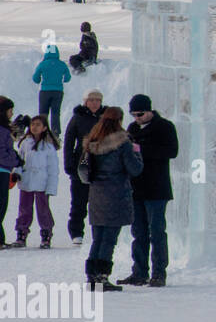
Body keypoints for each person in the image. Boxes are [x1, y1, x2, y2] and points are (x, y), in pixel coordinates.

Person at [82, 107, 143, 291]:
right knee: (109, 239)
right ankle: (101, 278)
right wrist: (137, 152)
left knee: (97, 238)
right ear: (119, 121)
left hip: (96, 194)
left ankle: (92, 278)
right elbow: (135, 169)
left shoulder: (92, 141)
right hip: (115, 194)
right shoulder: (122, 143)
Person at [122, 95, 179, 287]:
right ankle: (139, 272)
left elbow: (172, 151)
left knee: (157, 231)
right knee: (138, 232)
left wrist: (141, 149)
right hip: (136, 188)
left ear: (149, 111)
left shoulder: (165, 126)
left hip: (157, 188)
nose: (137, 118)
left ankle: (158, 273)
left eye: (140, 114)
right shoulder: (132, 129)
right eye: (133, 114)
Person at [62, 89, 103, 247]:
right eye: (91, 100)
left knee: (99, 202)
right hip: (81, 165)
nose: (94, 103)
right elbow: (69, 141)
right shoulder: (78, 117)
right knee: (79, 201)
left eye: (97, 100)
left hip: (100, 165)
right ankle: (76, 232)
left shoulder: (105, 118)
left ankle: (97, 232)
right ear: (85, 102)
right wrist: (69, 165)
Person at [13, 115, 59, 248]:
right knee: (24, 209)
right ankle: (21, 233)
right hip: (27, 181)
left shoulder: (49, 147)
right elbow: (19, 161)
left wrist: (51, 186)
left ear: (44, 128)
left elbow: (53, 169)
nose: (35, 127)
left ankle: (46, 234)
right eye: (33, 124)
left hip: (42, 183)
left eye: (38, 124)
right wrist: (17, 173)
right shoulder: (25, 143)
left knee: (43, 210)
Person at [31, 45, 72, 136]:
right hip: (58, 91)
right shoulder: (62, 64)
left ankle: (41, 132)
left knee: (43, 113)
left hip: (45, 91)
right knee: (55, 113)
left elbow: (35, 79)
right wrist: (62, 80)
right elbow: (68, 78)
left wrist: (40, 80)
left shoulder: (43, 64)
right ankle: (55, 133)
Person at [0, 97, 22, 248]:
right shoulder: (1, 130)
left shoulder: (4, 129)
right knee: (1, 205)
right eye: (10, 111)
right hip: (1, 170)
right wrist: (16, 160)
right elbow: (2, 153)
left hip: (4, 170)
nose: (12, 113)